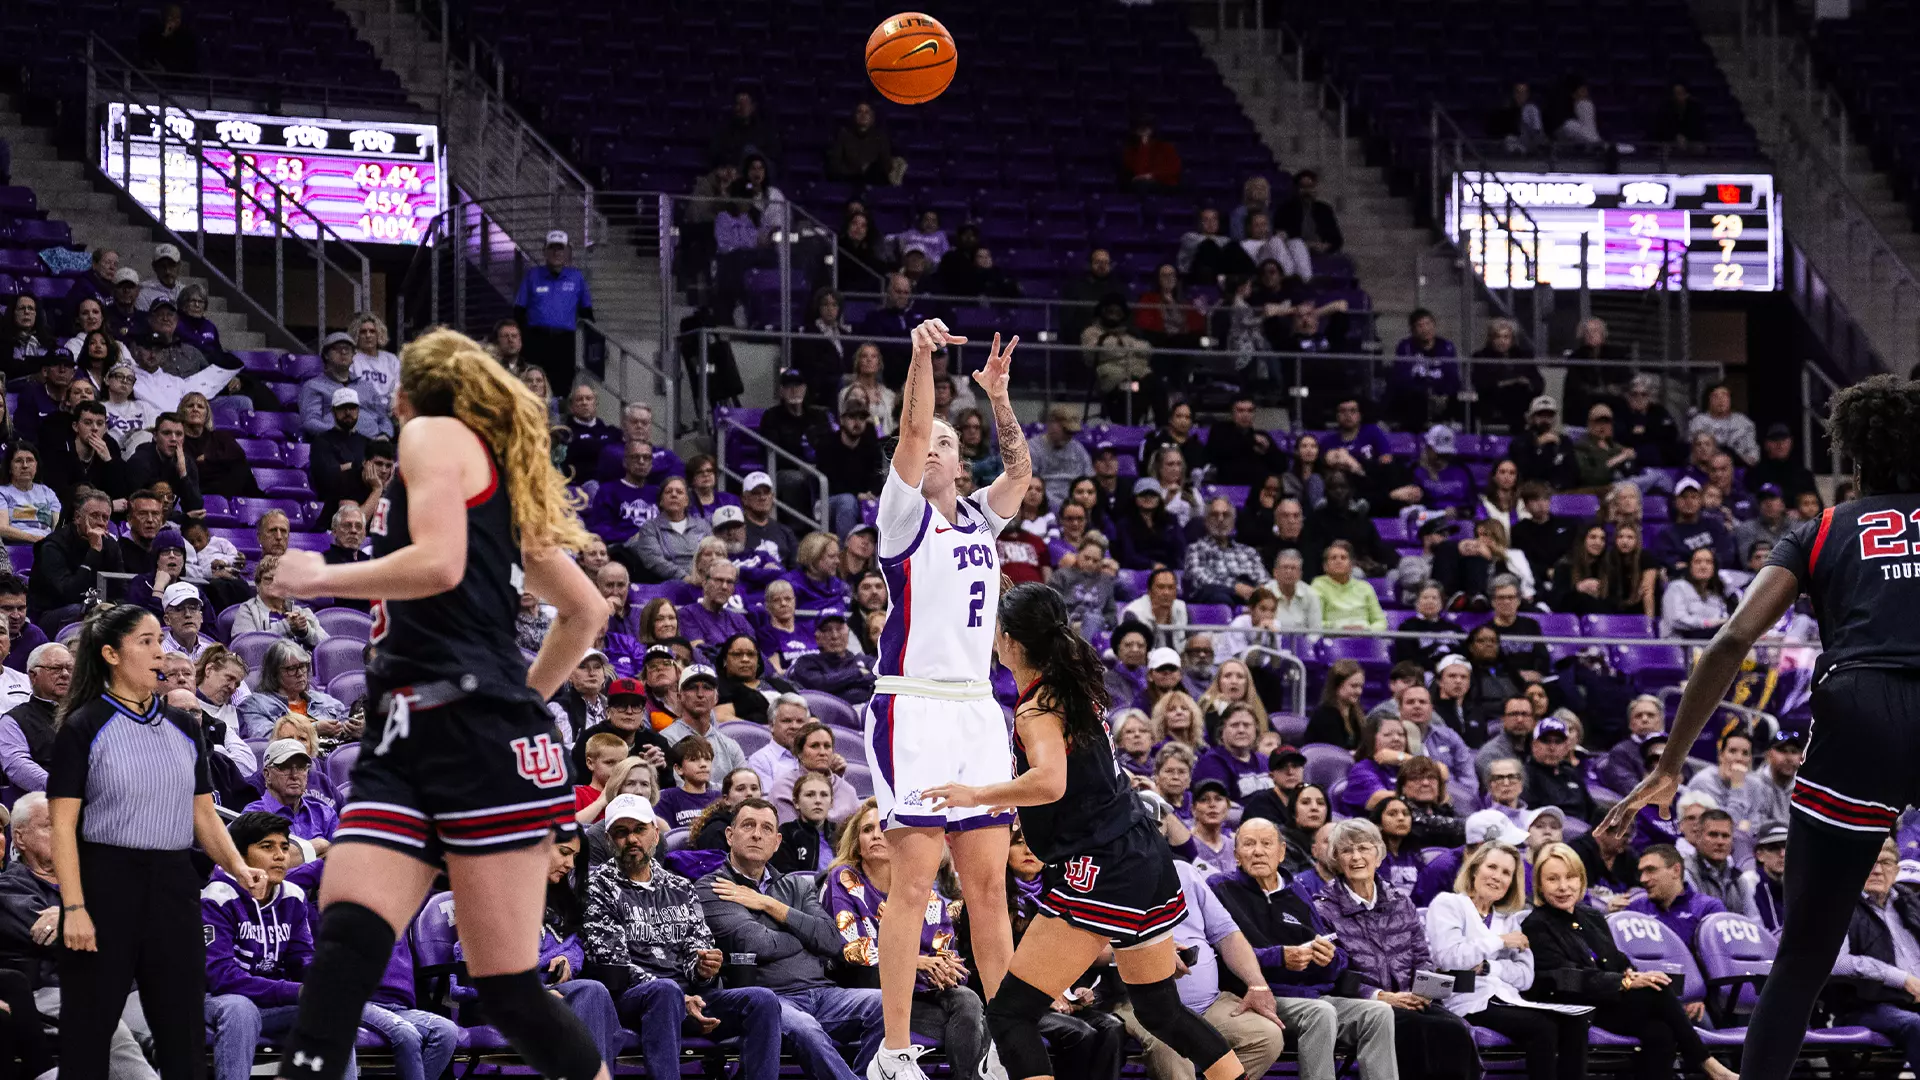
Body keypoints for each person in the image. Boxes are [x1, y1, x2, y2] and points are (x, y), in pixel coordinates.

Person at [258, 327, 614, 1080]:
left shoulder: (428, 434)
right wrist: (527, 698)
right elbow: (585, 612)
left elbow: (442, 563)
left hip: (466, 727)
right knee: (351, 938)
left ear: (406, 391)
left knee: (507, 989)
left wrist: (320, 575)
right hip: (411, 729)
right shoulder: (489, 480)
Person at [919, 583, 1242, 1080]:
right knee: (1161, 1012)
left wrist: (975, 794)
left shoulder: (1037, 709)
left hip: (1098, 866)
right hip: (1142, 854)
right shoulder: (1074, 682)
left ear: (1008, 641)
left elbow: (1049, 782)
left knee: (1010, 1014)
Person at [855, 321, 1030, 1078]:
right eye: (927, 446)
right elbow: (913, 424)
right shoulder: (903, 518)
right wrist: (923, 359)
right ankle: (895, 1053)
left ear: (962, 462)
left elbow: (1020, 470)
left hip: (975, 711)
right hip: (912, 707)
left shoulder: (983, 520)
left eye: (948, 447)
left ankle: (1004, 1046)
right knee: (915, 882)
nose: (933, 450)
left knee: (989, 888)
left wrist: (997, 398)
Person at [49, 604, 270, 1080]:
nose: (160, 651)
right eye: (146, 642)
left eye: (160, 640)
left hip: (173, 884)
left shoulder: (186, 726)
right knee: (88, 1034)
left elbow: (204, 815)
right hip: (104, 883)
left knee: (183, 1032)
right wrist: (73, 908)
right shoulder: (83, 726)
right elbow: (62, 826)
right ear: (111, 654)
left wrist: (237, 865)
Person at [580, 793, 783, 1078]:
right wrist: (681, 998)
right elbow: (613, 963)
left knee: (762, 1000)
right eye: (621, 832)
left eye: (639, 829)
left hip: (690, 999)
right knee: (665, 991)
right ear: (609, 840)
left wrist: (702, 967)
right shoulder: (597, 886)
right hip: (632, 1000)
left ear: (654, 832)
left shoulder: (680, 886)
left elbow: (697, 945)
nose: (632, 840)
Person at [696, 797, 888, 1077]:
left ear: (776, 841)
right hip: (772, 1001)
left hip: (824, 993)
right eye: (748, 825)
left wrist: (771, 906)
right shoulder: (713, 887)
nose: (756, 834)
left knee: (886, 1005)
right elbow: (755, 943)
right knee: (806, 1029)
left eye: (766, 828)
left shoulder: (797, 885)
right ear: (729, 835)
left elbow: (832, 940)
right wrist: (805, 935)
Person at [1206, 818, 1400, 1080]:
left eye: (1266, 844)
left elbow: (1336, 955)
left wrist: (1329, 958)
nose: (1258, 851)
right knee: (1320, 1013)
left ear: (1282, 852)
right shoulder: (1220, 887)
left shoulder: (1297, 891)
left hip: (1310, 995)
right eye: (1249, 844)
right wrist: (1279, 957)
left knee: (1378, 1013)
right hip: (1255, 996)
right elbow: (1219, 954)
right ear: (1237, 854)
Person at [1523, 843, 1736, 1080]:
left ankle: (1709, 1067)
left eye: (1570, 877)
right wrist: (1623, 982)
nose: (1563, 887)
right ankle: (1709, 1065)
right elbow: (1561, 977)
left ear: (1581, 880)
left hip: (1606, 1003)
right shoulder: (1536, 924)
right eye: (1553, 879)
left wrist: (1631, 974)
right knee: (1658, 991)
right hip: (1572, 1008)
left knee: (1660, 1031)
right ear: (1540, 885)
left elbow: (1615, 959)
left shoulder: (1592, 916)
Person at [823, 799, 990, 1078]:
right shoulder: (844, 879)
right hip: (870, 994)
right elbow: (853, 949)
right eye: (867, 830)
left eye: (883, 829)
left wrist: (938, 970)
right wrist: (915, 962)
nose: (876, 835)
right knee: (972, 1024)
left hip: (920, 995)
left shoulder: (925, 892)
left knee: (967, 1000)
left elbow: (947, 957)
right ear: (856, 842)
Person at [1313, 818, 1482, 1080]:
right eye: (1347, 851)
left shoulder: (1400, 902)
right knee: (1414, 1031)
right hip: (1367, 1005)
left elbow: (1422, 958)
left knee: (1455, 1030)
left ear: (1379, 854)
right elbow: (1334, 974)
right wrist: (1381, 996)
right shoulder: (1324, 908)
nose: (1356, 857)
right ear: (1336, 859)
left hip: (1411, 999)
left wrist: (1423, 993)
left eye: (1364, 848)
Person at [1425, 840, 1591, 1080]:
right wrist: (1500, 942)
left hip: (1507, 999)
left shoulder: (1508, 918)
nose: (1497, 877)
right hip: (1463, 998)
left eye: (1506, 873)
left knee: (1575, 1021)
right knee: (1542, 1028)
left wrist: (1488, 967)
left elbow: (1525, 977)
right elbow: (1451, 959)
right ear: (1474, 869)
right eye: (1491, 867)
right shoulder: (1448, 904)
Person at [202, 812, 342, 1080]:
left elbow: (301, 958)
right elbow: (221, 978)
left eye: (285, 847)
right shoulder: (216, 898)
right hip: (214, 1001)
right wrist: (295, 991)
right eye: (267, 847)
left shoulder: (292, 896)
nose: (280, 856)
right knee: (240, 1009)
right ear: (240, 856)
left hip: (268, 1003)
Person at [513, 231, 595, 393]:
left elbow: (587, 312)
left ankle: (557, 415)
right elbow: (518, 311)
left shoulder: (576, 277)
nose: (556, 253)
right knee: (532, 382)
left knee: (563, 384)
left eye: (560, 249)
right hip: (535, 339)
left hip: (563, 341)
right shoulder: (532, 275)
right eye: (552, 248)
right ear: (545, 251)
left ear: (567, 252)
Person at [1626, 844, 1726, 948]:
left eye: (1651, 870)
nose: (1643, 879)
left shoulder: (1708, 908)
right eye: (1641, 873)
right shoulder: (1635, 909)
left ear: (1676, 870)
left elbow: (1719, 957)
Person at [0, 642, 68, 791]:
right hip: (45, 803)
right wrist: (64, 789)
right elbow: (18, 765)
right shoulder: (13, 720)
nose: (65, 674)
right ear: (33, 676)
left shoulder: (89, 711)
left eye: (70, 668)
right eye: (56, 668)